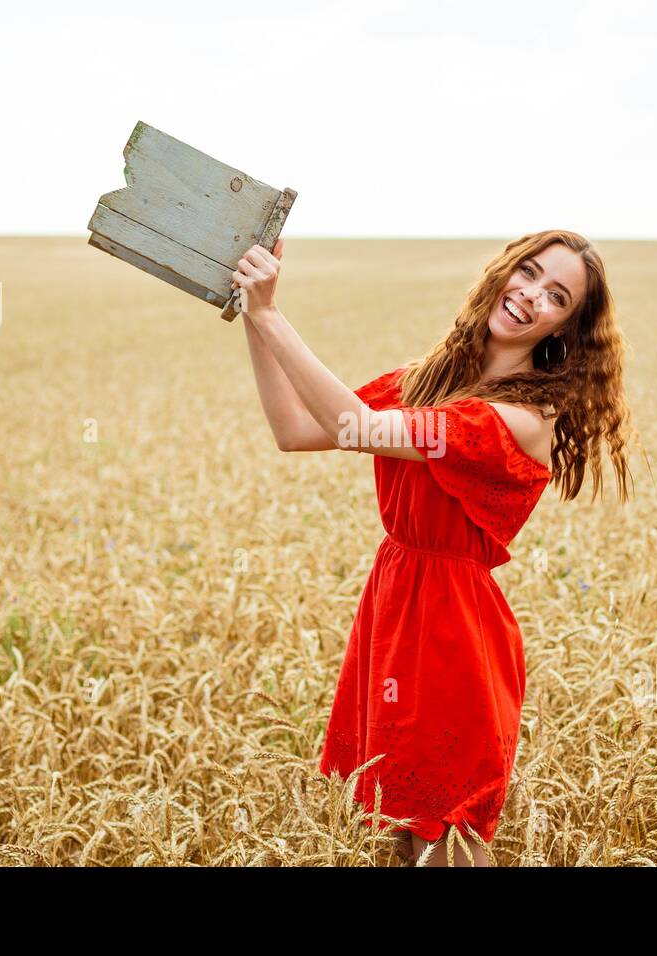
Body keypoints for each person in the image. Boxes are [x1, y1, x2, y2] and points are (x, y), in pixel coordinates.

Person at [234, 229, 634, 866]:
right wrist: (251, 317)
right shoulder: (427, 384)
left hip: (454, 636)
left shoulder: (519, 419)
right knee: (399, 837)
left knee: (445, 840)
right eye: (527, 273)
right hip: (393, 615)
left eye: (556, 296)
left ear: (566, 328)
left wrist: (271, 312)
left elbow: (353, 427)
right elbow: (294, 430)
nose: (531, 295)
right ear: (503, 271)